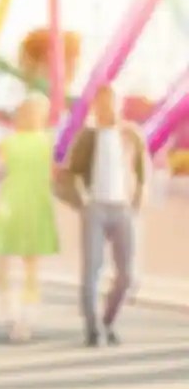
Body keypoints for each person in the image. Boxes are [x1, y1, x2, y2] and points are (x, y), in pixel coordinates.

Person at [63, 85, 149, 346]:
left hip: (122, 209)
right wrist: (82, 201)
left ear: (118, 104)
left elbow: (142, 171)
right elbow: (70, 172)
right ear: (95, 107)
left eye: (111, 101)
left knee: (127, 275)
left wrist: (137, 201)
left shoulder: (131, 135)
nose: (107, 107)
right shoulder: (87, 136)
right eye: (101, 103)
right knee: (92, 268)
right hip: (96, 208)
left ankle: (108, 321)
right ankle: (92, 328)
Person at [0, 93, 59, 342]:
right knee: (30, 268)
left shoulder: (9, 143)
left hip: (12, 205)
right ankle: (23, 318)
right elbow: (56, 174)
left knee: (6, 266)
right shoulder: (47, 142)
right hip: (32, 205)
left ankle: (16, 316)